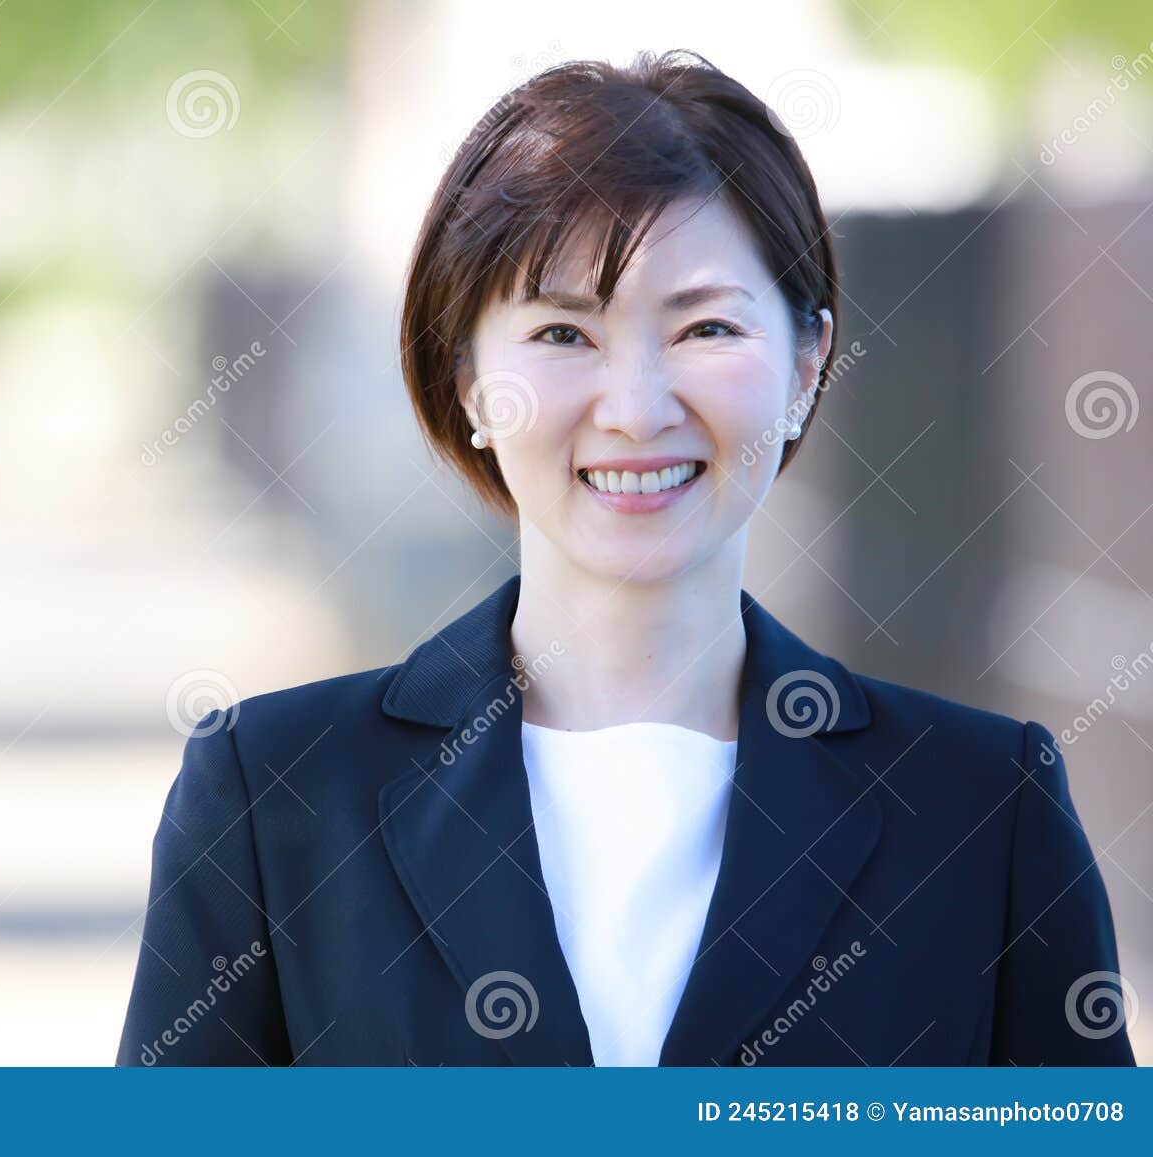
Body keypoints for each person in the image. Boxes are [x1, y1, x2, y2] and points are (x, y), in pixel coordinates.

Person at [117, 51, 1137, 1066]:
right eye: (564, 332)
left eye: (703, 325)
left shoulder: (979, 808)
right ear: (468, 380)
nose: (636, 408)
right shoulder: (277, 794)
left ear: (806, 361)